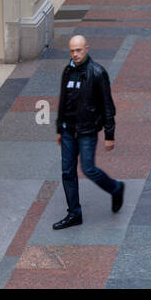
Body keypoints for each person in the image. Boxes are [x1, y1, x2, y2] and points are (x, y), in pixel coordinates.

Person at [53, 35, 125, 229]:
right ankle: (74, 213)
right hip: (68, 131)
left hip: (87, 131)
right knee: (67, 172)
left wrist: (110, 135)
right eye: (72, 51)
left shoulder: (97, 73)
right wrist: (59, 127)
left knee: (88, 169)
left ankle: (116, 188)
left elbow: (108, 106)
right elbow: (64, 101)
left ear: (86, 48)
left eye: (78, 50)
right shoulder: (68, 71)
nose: (75, 54)